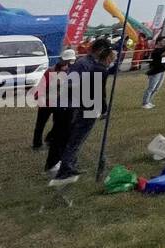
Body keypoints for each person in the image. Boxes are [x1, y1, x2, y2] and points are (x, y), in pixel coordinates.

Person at [47, 38, 115, 186]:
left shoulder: (95, 65)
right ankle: (62, 167)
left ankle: (69, 165)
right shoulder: (83, 63)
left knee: (74, 138)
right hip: (72, 106)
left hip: (79, 105)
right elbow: (70, 84)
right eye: (108, 50)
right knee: (70, 139)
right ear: (101, 50)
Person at [31, 48, 76, 150]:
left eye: (69, 60)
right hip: (46, 102)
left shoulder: (71, 72)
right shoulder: (50, 71)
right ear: (61, 59)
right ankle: (36, 144)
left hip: (59, 103)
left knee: (58, 123)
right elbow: (41, 86)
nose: (67, 62)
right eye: (66, 60)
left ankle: (50, 139)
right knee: (40, 124)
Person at [141, 36, 165, 109]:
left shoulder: (162, 48)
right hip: (156, 72)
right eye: (163, 41)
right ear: (158, 42)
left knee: (156, 88)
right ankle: (145, 103)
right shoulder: (156, 51)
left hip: (162, 71)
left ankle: (149, 101)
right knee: (151, 88)